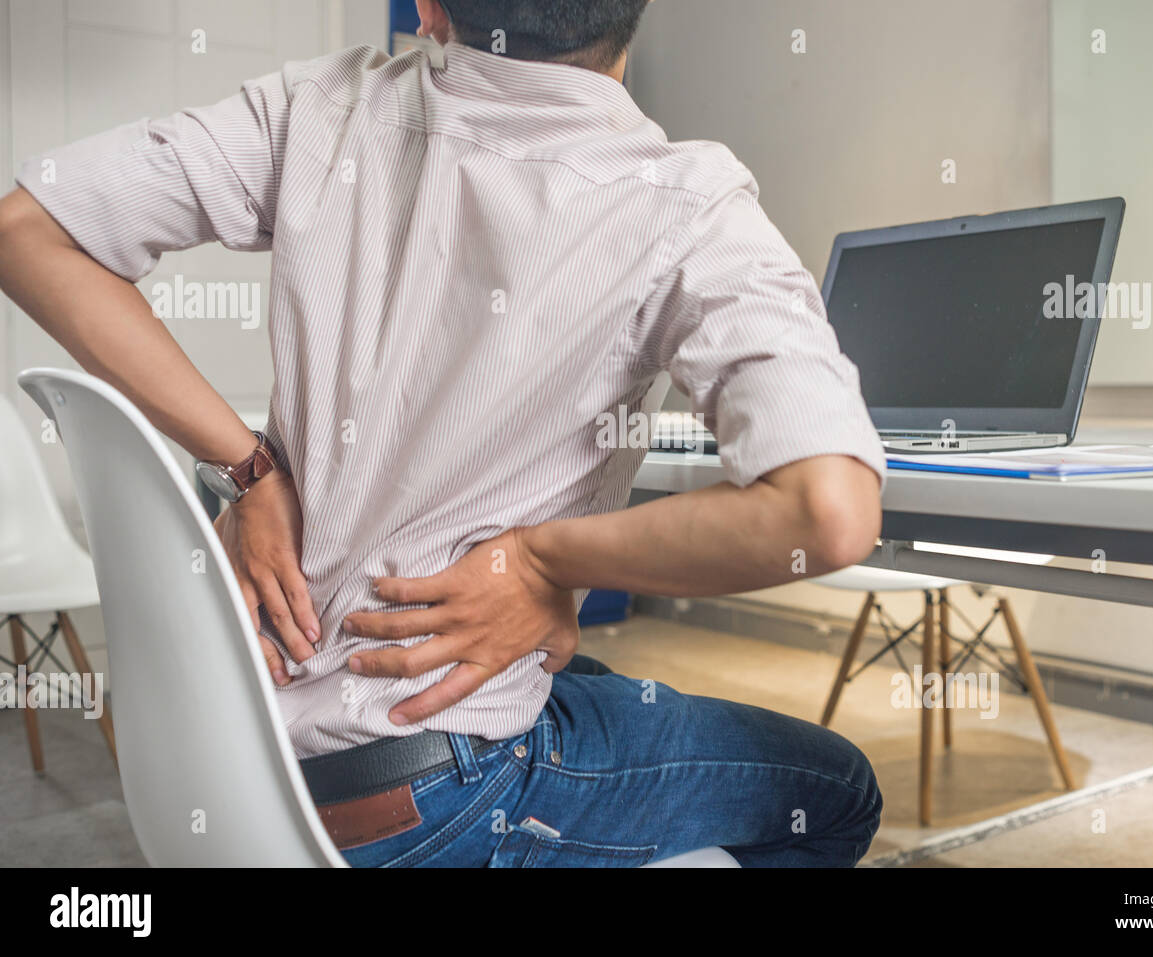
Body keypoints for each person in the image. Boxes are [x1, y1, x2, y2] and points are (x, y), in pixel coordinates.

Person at [0, 0, 886, 866]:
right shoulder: (690, 206)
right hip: (447, 801)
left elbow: (26, 231)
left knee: (596, 689)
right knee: (838, 788)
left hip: (244, 758)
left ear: (427, 6)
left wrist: (248, 466)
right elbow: (829, 513)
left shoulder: (321, 107)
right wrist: (546, 562)